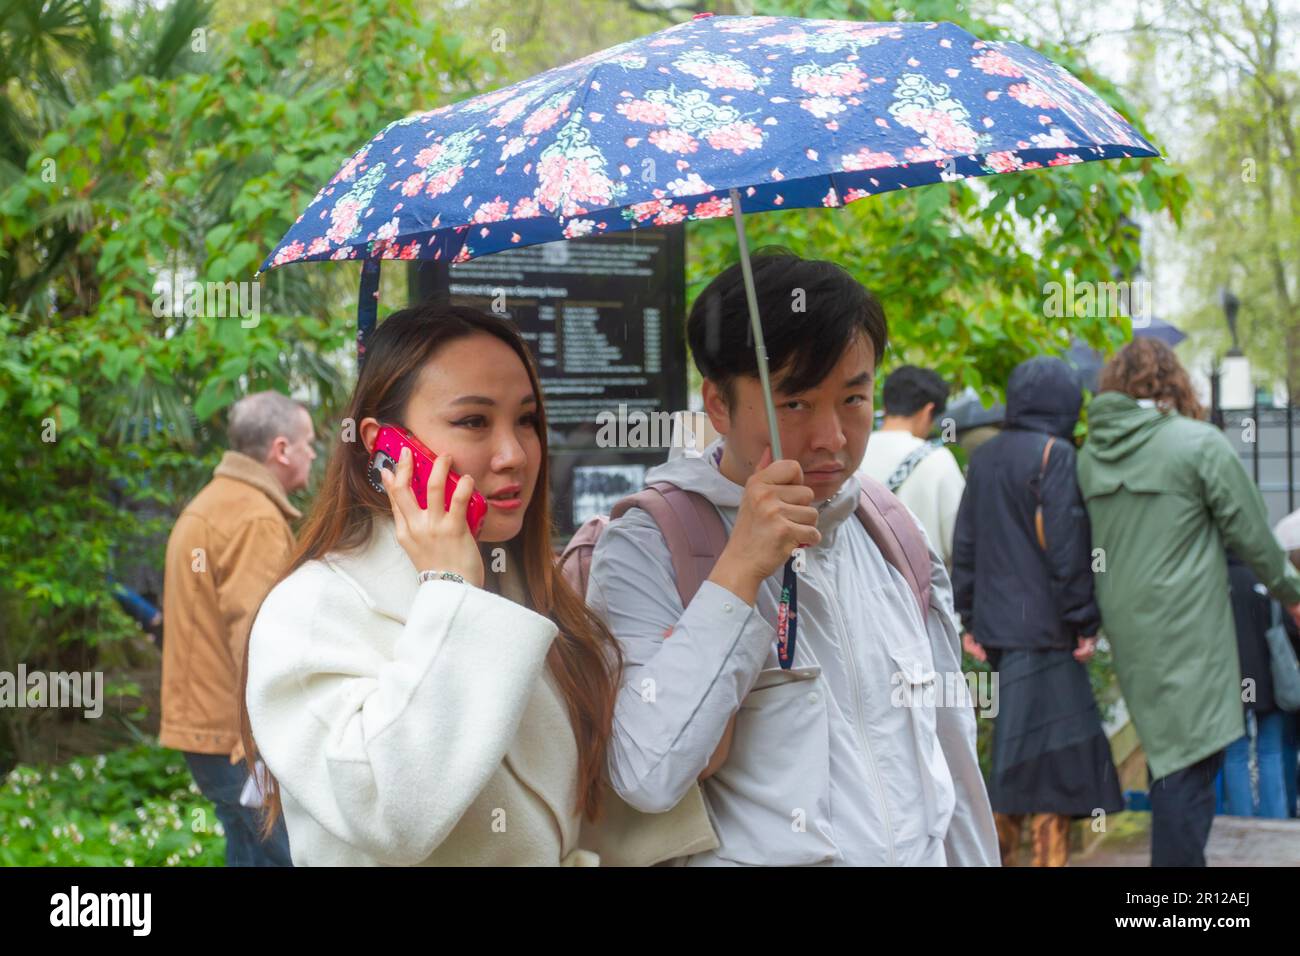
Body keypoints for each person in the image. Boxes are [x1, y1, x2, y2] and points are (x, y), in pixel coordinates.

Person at [239, 304, 717, 866]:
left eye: (527, 421)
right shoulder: (313, 608)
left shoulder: (526, 586)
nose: (514, 454)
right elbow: (392, 811)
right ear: (383, 443)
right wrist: (450, 592)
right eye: (474, 422)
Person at [586, 250, 999, 866]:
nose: (832, 436)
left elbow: (953, 753)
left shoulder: (890, 531)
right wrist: (738, 573)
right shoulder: (651, 545)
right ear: (719, 405)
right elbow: (646, 773)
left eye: (854, 400)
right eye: (796, 403)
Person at [1076, 337, 1300, 866]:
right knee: (1190, 765)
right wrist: (1292, 594)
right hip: (1189, 631)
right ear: (1174, 382)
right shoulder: (1196, 444)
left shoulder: (1090, 457)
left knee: (1170, 758)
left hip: (1130, 632)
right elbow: (1254, 538)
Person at [952, 356, 1123, 866]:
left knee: (1014, 760)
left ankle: (1000, 854)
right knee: (1050, 769)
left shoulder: (983, 457)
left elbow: (966, 544)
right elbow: (1069, 552)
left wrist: (969, 618)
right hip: (1049, 633)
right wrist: (1084, 623)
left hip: (1002, 633)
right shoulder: (1057, 455)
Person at [161, 390, 317, 866]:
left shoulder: (218, 503)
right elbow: (261, 642)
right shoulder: (252, 518)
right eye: (309, 443)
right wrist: (269, 743)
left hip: (212, 734)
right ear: (281, 449)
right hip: (239, 742)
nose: (314, 453)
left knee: (249, 854)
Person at [856, 365, 965, 569]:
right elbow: (958, 539)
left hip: (860, 583)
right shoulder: (937, 459)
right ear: (928, 411)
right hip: (919, 591)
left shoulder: (853, 454)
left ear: (886, 406)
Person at [1223, 550, 1294, 819]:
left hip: (1230, 680)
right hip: (1269, 680)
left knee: (1236, 755)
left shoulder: (1215, 583)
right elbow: (1287, 626)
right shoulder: (1267, 580)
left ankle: (1242, 821)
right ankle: (1275, 820)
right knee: (1270, 752)